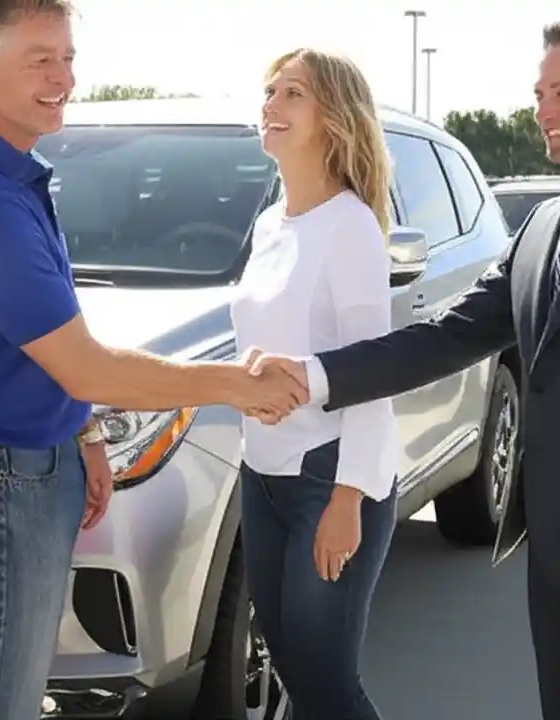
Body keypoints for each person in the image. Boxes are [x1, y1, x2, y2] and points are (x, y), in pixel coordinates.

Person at [249, 17, 560, 720]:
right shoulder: (544, 226)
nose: (543, 109)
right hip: (555, 560)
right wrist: (315, 375)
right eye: (539, 92)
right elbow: (448, 335)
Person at [0, 2, 306, 719]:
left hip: (20, 462)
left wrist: (82, 432)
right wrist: (235, 384)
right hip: (0, 478)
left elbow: (39, 348)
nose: (63, 78)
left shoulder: (6, 174)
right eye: (40, 60)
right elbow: (84, 366)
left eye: (67, 57)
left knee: (6, 689)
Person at [229, 48, 400, 720]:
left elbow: (375, 373)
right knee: (295, 675)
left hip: (329, 478)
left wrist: (347, 497)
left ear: (334, 118)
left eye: (291, 93)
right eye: (269, 89)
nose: (270, 103)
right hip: (261, 473)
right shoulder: (272, 223)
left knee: (326, 685)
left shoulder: (352, 226)